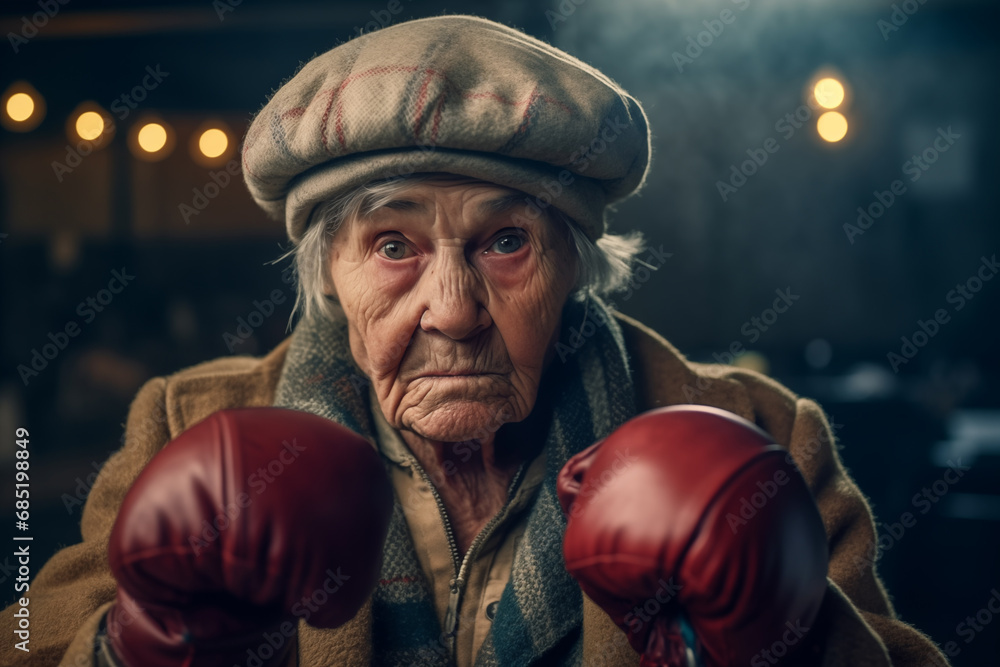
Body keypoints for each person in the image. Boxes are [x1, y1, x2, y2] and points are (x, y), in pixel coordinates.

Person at [1, 14, 950, 667]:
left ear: (576, 263)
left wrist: (787, 634)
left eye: (506, 240)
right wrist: (137, 642)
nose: (453, 309)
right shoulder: (183, 424)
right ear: (328, 271)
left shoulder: (765, 434)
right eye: (392, 244)